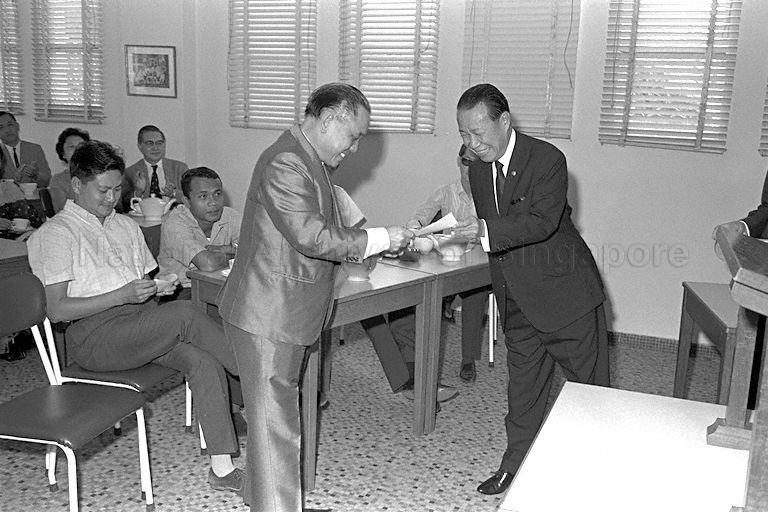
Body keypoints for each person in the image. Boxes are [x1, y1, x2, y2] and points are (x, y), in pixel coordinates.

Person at [217, 82, 413, 512]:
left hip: (282, 309)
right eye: (354, 136)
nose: (355, 148)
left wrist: (374, 244)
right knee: (276, 425)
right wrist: (380, 237)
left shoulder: (308, 157)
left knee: (270, 420)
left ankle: (264, 499)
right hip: (267, 312)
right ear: (327, 120)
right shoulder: (287, 161)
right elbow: (311, 235)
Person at [26, 140, 245, 494]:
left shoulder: (125, 226)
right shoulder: (55, 234)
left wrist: (158, 287)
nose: (112, 198)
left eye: (117, 189)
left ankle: (222, 469)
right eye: (103, 190)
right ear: (77, 184)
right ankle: (259, 377)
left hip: (139, 328)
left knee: (203, 360)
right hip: (95, 339)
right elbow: (56, 309)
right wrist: (122, 295)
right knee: (187, 314)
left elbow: (142, 285)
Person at [455, 84, 609, 495]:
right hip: (517, 300)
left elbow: (541, 221)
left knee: (590, 394)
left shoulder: (547, 159)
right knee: (522, 394)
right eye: (464, 135)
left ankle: (596, 473)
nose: (471, 144)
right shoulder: (477, 169)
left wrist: (483, 231)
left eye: (477, 133)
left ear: (504, 121)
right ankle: (514, 466)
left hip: (567, 298)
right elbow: (499, 239)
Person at [405, 143, 488, 382]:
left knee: (475, 294)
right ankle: (418, 357)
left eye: (477, 164)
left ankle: (468, 358)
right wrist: (418, 230)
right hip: (449, 259)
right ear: (459, 162)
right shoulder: (446, 192)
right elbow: (417, 218)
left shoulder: (491, 195)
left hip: (480, 263)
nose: (470, 169)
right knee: (425, 283)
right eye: (466, 162)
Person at [158, 166, 241, 299]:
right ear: (187, 201)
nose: (213, 202)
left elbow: (258, 251)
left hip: (220, 286)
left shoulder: (230, 216)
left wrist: (223, 250)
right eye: (203, 196)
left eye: (217, 194)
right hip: (181, 292)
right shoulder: (174, 223)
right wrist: (235, 254)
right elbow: (208, 264)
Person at [120, 125, 187, 212]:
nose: (155, 148)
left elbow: (191, 199)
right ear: (140, 146)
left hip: (175, 217)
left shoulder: (180, 168)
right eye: (150, 143)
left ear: (164, 145)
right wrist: (138, 192)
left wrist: (173, 193)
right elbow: (123, 206)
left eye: (159, 143)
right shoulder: (130, 172)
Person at [0, 111, 52, 187]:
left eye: (10, 124)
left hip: (32, 194)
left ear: (17, 126)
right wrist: (13, 180)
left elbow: (47, 181)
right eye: (1, 127)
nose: (7, 130)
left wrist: (35, 175)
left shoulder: (35, 149)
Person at [48, 127, 91, 212]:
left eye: (81, 146)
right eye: (71, 147)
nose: (77, 150)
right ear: (63, 153)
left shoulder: (98, 175)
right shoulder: (58, 180)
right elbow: (61, 210)